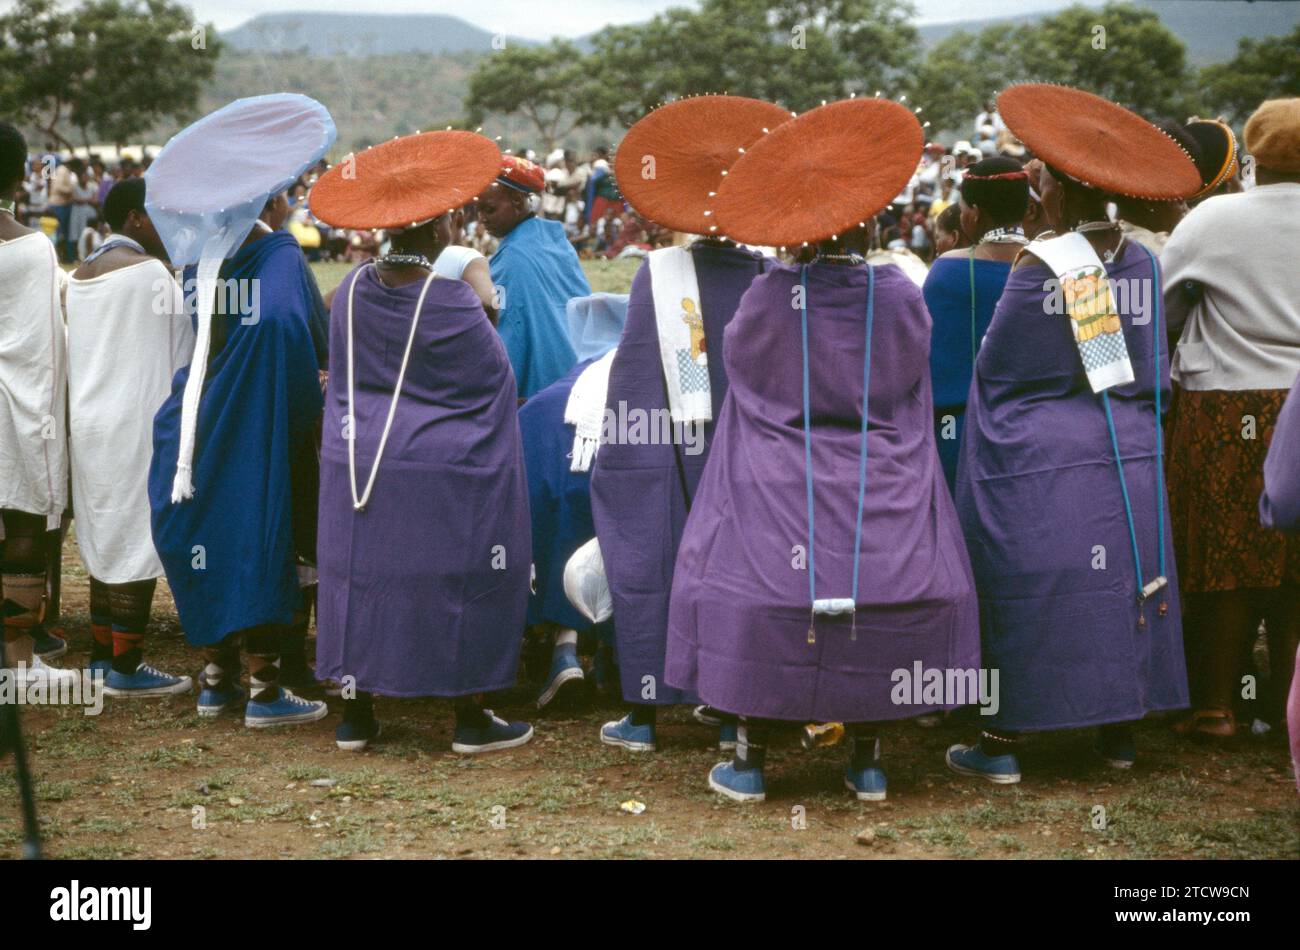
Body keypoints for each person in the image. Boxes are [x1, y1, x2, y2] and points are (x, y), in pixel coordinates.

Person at [666, 97, 981, 802]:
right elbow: (909, 380)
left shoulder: (769, 296)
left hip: (776, 475)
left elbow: (741, 370)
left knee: (760, 592)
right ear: (870, 219)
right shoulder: (899, 294)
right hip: (880, 474)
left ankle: (746, 760)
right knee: (872, 597)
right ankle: (866, 760)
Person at [947, 84, 1201, 783]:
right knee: (1123, 586)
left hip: (1044, 452)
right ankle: (1119, 733)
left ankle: (1002, 740)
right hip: (1126, 446)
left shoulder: (1044, 263)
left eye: (1043, 182)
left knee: (1028, 589)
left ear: (1055, 189)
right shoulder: (1142, 258)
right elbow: (1152, 366)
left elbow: (1000, 372)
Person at [308, 130, 534, 753]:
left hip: (355, 460)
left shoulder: (350, 288)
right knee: (457, 579)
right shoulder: (452, 298)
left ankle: (355, 717)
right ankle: (468, 719)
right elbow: (497, 380)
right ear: (439, 229)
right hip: (439, 464)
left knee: (356, 579)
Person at [590, 95, 792, 754]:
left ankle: (645, 714)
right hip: (752, 454)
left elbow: (636, 380)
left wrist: (625, 463)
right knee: (742, 568)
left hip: (669, 447)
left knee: (655, 557)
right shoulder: (771, 276)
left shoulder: (660, 274)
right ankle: (736, 709)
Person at [147, 94, 336, 728]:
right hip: (259, 417)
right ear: (270, 201)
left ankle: (216, 677)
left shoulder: (201, 260)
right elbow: (290, 325)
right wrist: (296, 390)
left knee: (216, 533)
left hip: (200, 415)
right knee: (264, 531)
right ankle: (264, 689)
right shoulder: (278, 251)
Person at [1162, 97, 1300, 739]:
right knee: (1295, 561)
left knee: (1218, 555)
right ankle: (1282, 707)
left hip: (1224, 405)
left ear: (1252, 159)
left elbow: (1162, 310)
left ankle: (1215, 706)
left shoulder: (1214, 218)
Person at [66, 177, 194, 696]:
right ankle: (127, 665)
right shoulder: (152, 275)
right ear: (136, 219)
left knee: (102, 531)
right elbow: (185, 354)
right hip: (136, 420)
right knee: (137, 535)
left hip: (86, 421)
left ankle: (101, 656)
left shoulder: (78, 275)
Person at [520, 292, 627, 709]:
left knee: (555, 523)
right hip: (620, 510)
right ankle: (614, 655)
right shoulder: (645, 395)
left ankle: (563, 650)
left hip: (559, 512)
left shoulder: (545, 402)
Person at [0, 120, 77, 688]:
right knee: (23, 520)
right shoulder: (32, 248)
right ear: (21, 173)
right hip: (17, 407)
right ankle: (20, 661)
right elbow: (45, 346)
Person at [924, 156, 1030, 494]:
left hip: (955, 434)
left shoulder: (946, 272)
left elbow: (925, 364)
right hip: (1033, 435)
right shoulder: (1063, 268)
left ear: (974, 214)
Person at [478, 154, 589, 398]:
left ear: (518, 202)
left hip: (540, 387)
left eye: (489, 209)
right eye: (478, 210)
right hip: (581, 375)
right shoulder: (558, 241)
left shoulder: (511, 259)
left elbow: (508, 333)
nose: (481, 219)